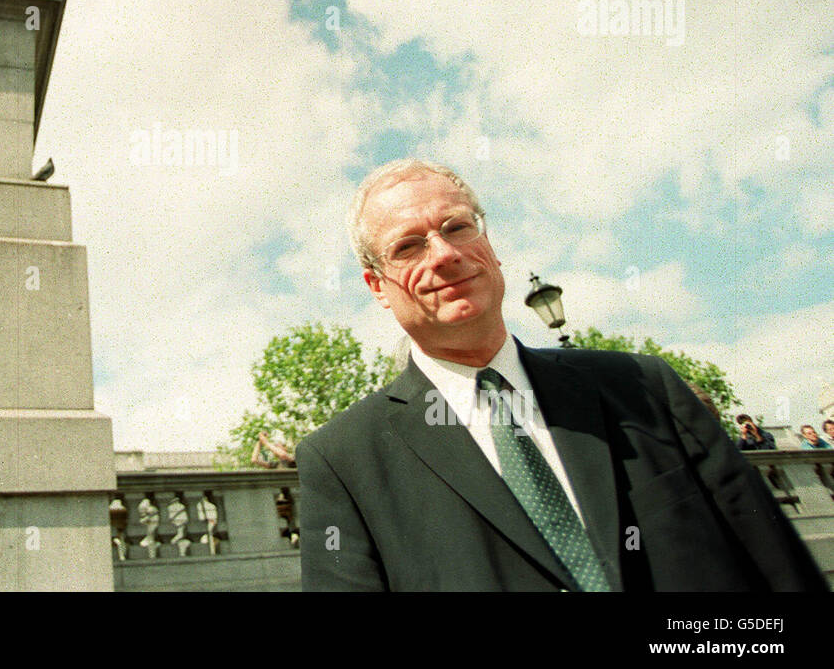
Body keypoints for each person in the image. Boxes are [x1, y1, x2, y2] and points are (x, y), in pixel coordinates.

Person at [298, 158, 827, 591]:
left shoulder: (646, 388)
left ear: (489, 245)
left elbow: (778, 569)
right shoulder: (343, 460)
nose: (445, 254)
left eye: (457, 227)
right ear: (376, 285)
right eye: (408, 246)